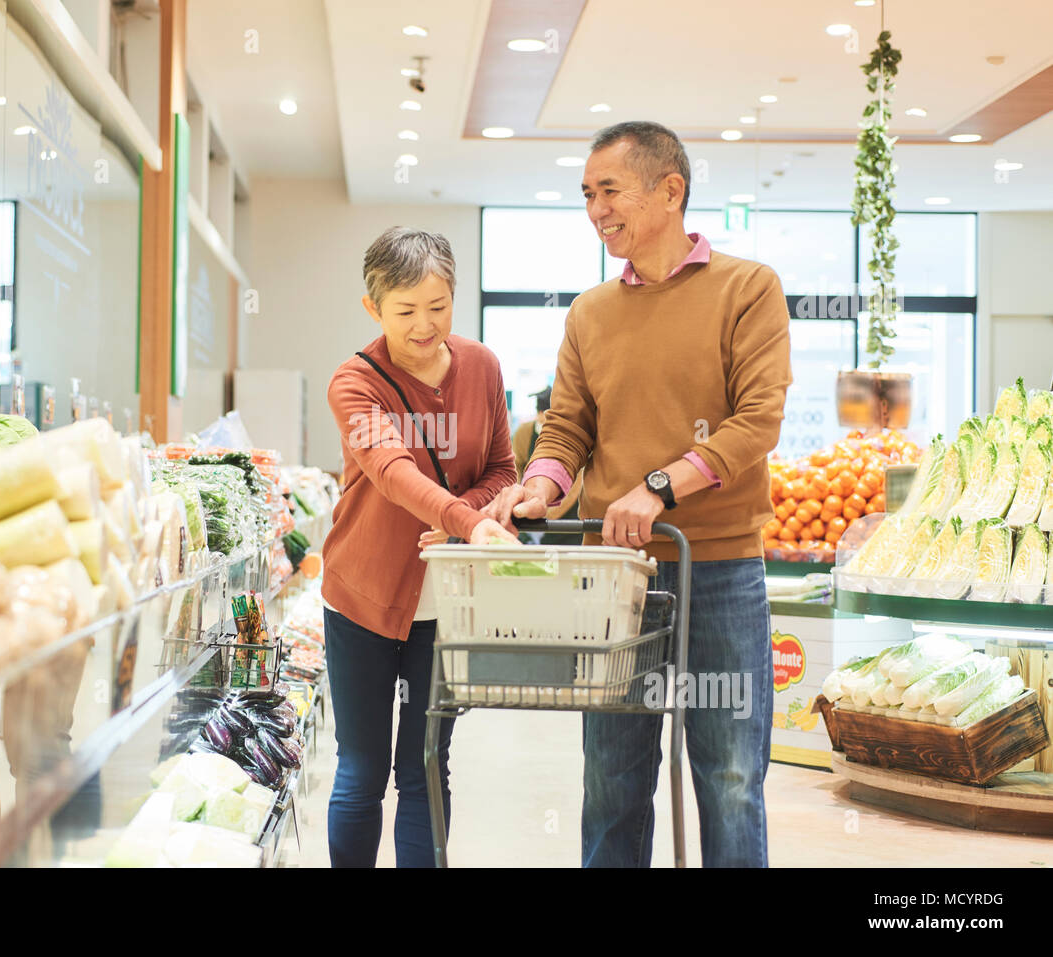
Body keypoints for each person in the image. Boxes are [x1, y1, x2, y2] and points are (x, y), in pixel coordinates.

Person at [485, 121, 792, 868]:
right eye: (588, 195)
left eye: (610, 190)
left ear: (670, 190)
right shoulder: (590, 312)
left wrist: (658, 487)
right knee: (612, 779)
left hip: (718, 571)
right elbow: (566, 429)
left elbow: (757, 421)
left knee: (730, 777)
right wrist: (538, 486)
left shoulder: (748, 289)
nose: (597, 209)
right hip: (613, 581)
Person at [322, 226, 519, 867]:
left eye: (438, 307)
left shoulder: (482, 366)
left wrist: (477, 516)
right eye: (405, 311)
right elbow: (392, 469)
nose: (424, 325)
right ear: (373, 308)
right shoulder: (355, 383)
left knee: (427, 765)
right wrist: (466, 520)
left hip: (450, 604)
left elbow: (502, 470)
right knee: (363, 768)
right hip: (364, 597)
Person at [512, 385, 582, 545]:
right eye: (540, 415)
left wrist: (547, 511)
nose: (542, 420)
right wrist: (522, 502)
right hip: (531, 505)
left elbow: (577, 481)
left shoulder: (570, 432)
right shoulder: (525, 432)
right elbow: (516, 467)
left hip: (567, 514)